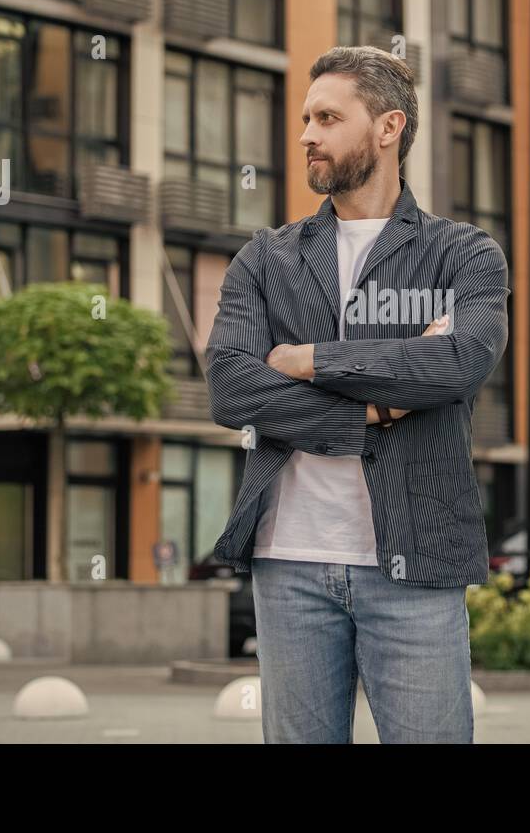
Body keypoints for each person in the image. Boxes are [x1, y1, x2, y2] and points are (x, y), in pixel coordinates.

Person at [205, 45, 510, 743]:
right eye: (305, 119)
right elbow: (230, 386)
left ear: (388, 126)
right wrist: (375, 409)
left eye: (328, 118)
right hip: (288, 563)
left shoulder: (465, 255)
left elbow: (458, 363)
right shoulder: (267, 257)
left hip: (417, 559)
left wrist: (309, 359)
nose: (307, 135)